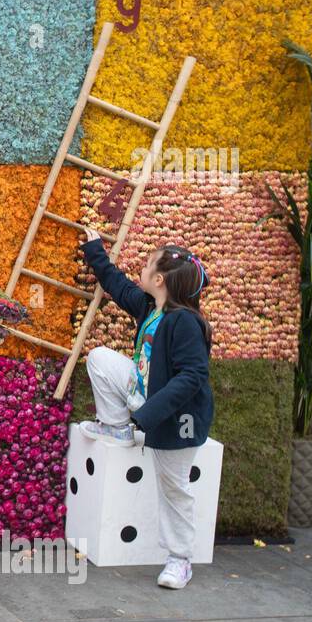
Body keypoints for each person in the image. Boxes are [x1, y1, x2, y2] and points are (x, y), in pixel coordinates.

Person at [78, 229, 215, 589]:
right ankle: (115, 425)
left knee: (174, 488)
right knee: (100, 358)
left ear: (159, 279)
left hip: (176, 420)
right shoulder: (150, 308)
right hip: (143, 396)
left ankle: (179, 560)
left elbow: (192, 378)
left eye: (148, 264)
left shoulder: (185, 322)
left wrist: (148, 416)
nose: (140, 268)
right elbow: (118, 285)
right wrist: (95, 250)